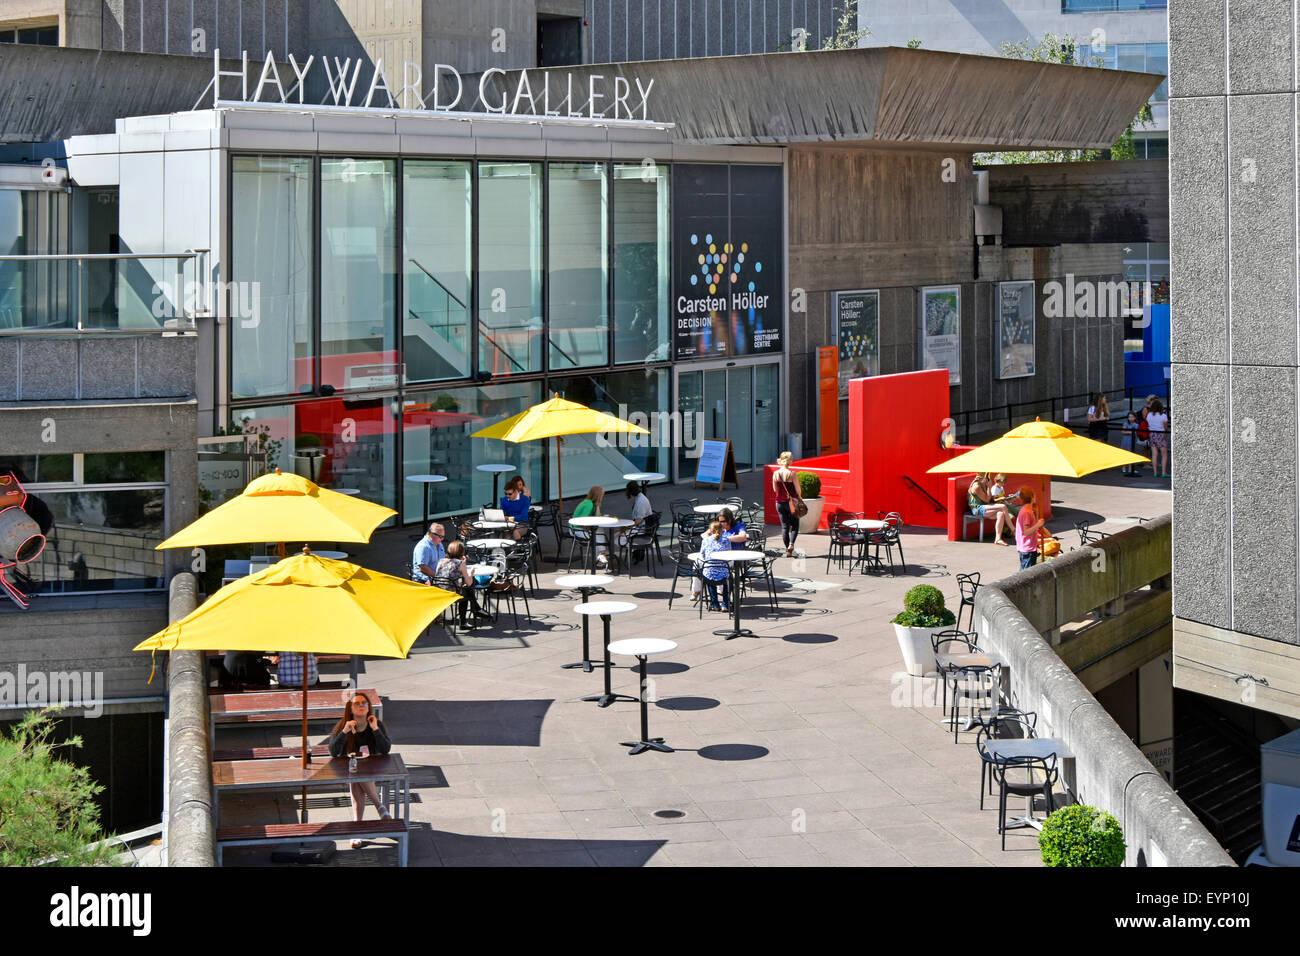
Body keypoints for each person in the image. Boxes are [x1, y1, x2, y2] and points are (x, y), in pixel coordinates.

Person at [327, 692, 393, 847]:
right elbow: (333, 751)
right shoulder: (344, 725)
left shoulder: (376, 724)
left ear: (369, 707)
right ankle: (381, 808)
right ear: (350, 709)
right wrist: (344, 731)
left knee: (358, 778)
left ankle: (357, 830)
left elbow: (386, 750)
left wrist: (375, 728)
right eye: (357, 704)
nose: (361, 706)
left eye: (364, 703)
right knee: (357, 777)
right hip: (353, 771)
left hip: (375, 769)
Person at [435, 541, 491, 627]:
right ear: (461, 552)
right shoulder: (461, 563)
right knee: (467, 588)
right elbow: (469, 582)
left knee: (465, 589)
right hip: (453, 594)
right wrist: (471, 573)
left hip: (440, 592)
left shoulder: (441, 561)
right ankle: (471, 614)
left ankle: (476, 610)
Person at [968, 473, 1011, 545]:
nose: (989, 480)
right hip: (977, 509)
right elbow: (987, 500)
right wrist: (989, 487)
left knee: (1000, 514)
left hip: (984, 507)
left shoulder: (983, 485)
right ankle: (1013, 529)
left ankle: (998, 539)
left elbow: (988, 500)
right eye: (988, 478)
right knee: (1003, 507)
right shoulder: (977, 486)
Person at [570, 486, 609, 566]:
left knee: (598, 531)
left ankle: (600, 557)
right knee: (598, 533)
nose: (602, 498)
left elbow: (597, 517)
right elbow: (583, 521)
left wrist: (598, 506)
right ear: (597, 496)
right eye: (601, 496)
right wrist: (592, 528)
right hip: (577, 530)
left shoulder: (591, 503)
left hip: (579, 528)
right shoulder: (589, 504)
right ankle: (601, 555)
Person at [698, 520, 732, 611]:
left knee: (708, 572)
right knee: (730, 576)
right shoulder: (726, 540)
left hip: (709, 574)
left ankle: (715, 604)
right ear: (722, 530)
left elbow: (702, 554)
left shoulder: (705, 540)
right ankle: (725, 603)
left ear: (711, 530)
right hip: (723, 575)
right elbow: (729, 555)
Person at [772, 451, 800, 557]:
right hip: (791, 502)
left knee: (784, 527)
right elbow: (798, 490)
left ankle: (788, 548)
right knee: (795, 525)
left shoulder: (775, 474)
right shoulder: (792, 474)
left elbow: (775, 489)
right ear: (790, 460)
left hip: (779, 502)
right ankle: (791, 544)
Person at [1015, 487, 1048, 571]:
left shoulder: (1027, 510)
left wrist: (1036, 515)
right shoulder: (1026, 512)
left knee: (1025, 572)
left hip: (1028, 547)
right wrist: (1038, 524)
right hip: (1028, 548)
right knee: (1026, 575)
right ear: (1032, 497)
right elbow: (1026, 532)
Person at [619, 480, 654, 559]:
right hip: (644, 526)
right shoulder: (640, 498)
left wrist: (626, 527)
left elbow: (639, 520)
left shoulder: (640, 502)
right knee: (621, 533)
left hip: (643, 529)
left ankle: (634, 549)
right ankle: (635, 550)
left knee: (618, 537)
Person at [1146, 400, 1170, 478]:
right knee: (1164, 454)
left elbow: (1148, 424)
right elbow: (1166, 427)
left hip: (1152, 434)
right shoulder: (1163, 416)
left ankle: (1155, 472)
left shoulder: (1149, 415)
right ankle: (1164, 472)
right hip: (1161, 434)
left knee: (1154, 454)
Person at [1121, 412, 1141, 476]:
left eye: (1132, 417)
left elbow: (1137, 433)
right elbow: (1123, 431)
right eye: (1129, 417)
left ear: (1135, 417)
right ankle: (1123, 467)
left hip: (1131, 441)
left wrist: (1131, 432)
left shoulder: (1136, 425)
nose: (1130, 418)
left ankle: (1130, 468)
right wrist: (1130, 432)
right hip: (1125, 440)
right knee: (1124, 453)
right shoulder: (1126, 423)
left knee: (1131, 453)